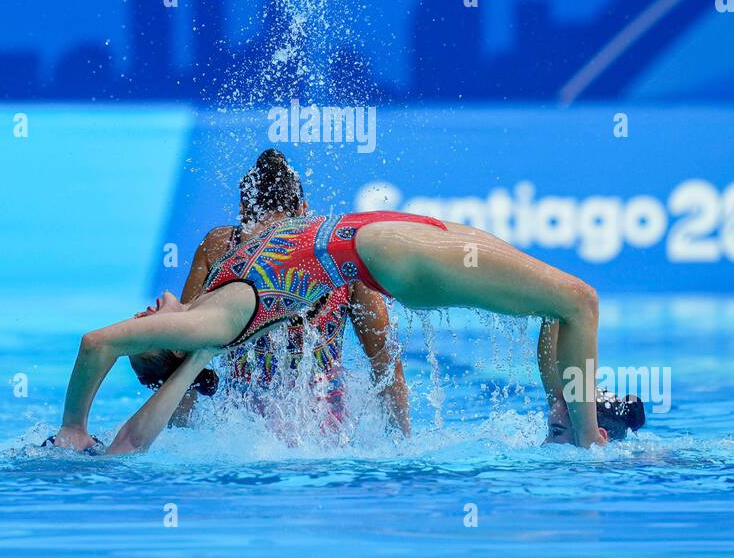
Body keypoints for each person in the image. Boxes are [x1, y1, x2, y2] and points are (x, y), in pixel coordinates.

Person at [50, 154, 630, 454]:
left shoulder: (221, 263)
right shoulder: (211, 319)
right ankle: (588, 448)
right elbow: (96, 343)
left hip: (386, 231)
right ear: (170, 341)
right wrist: (75, 428)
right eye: (148, 321)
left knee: (558, 306)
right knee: (579, 300)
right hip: (387, 250)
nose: (148, 306)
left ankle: (565, 420)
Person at [127, 151, 411, 437]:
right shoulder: (342, 255)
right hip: (323, 420)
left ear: (243, 210)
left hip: (244, 421)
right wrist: (402, 445)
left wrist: (177, 435)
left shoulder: (219, 248)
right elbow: (386, 365)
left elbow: (184, 351)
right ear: (304, 210)